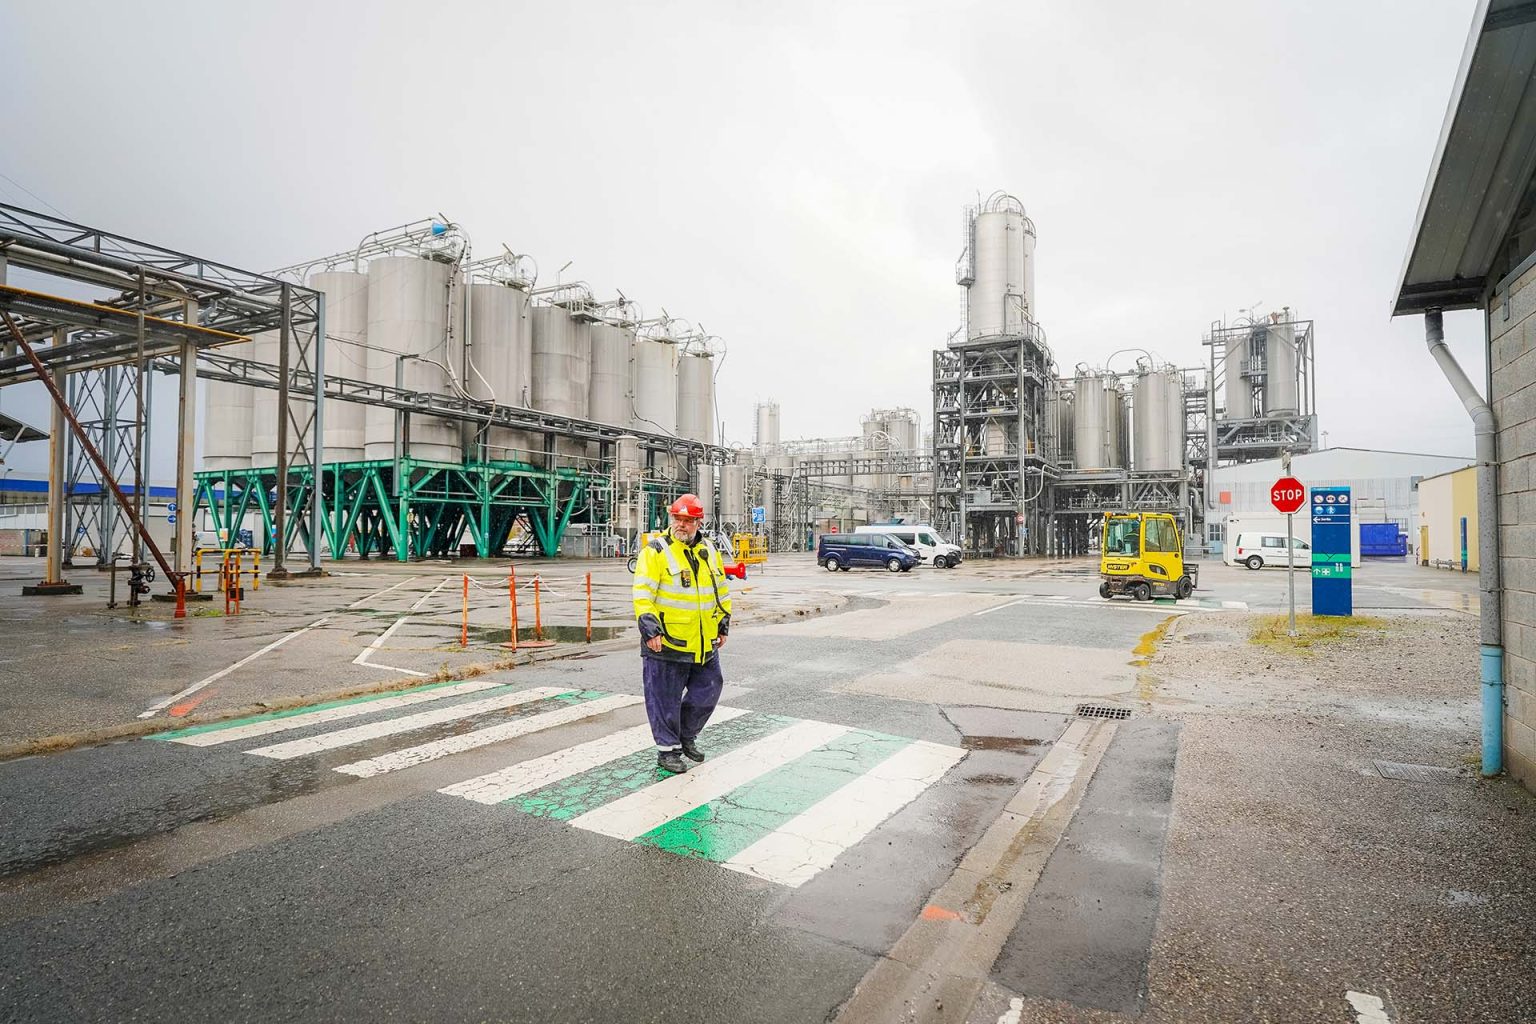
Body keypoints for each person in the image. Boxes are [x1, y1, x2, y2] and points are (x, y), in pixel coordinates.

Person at [632, 493, 733, 774]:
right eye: (677, 518)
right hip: (666, 642)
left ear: (699, 522)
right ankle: (668, 751)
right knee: (664, 699)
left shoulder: (709, 549)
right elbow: (642, 594)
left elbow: (720, 590)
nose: (681, 524)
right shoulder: (656, 551)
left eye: (688, 520)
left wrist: (723, 624)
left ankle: (686, 735)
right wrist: (650, 630)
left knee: (708, 690)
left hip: (703, 641)